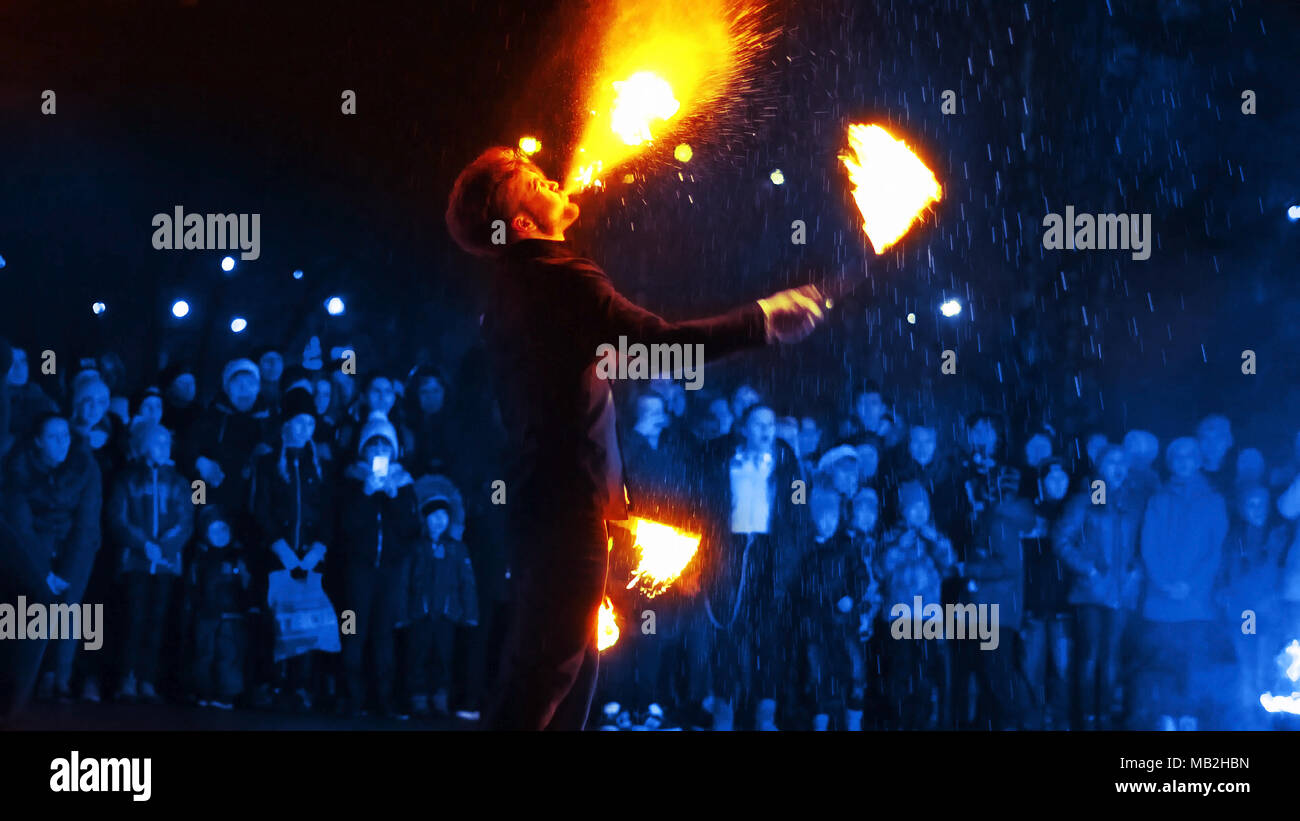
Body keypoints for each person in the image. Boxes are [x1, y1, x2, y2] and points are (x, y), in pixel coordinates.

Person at [445, 145, 825, 730]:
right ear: (521, 222)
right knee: (547, 672)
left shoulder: (513, 289)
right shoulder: (559, 278)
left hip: (551, 505)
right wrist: (762, 318)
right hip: (568, 506)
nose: (552, 181)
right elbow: (660, 347)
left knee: (569, 676)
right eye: (535, 182)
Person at [3, 413, 103, 702]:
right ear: (37, 441)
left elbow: (87, 521)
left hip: (77, 541)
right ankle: (26, 680)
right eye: (53, 437)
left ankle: (60, 676)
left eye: (66, 436)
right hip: (35, 540)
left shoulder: (85, 466)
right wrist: (44, 570)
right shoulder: (18, 467)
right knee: (34, 605)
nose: (62, 443)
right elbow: (20, 524)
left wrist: (69, 570)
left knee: (70, 607)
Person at [1135, 437, 1228, 730]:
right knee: (1162, 661)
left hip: (1196, 601)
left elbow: (1216, 550)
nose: (1184, 461)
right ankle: (1165, 715)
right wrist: (1163, 583)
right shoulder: (1158, 499)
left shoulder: (1214, 501)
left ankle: (1188, 716)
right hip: (1160, 600)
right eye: (1178, 457)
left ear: (1199, 461)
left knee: (1193, 663)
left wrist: (1191, 585)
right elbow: (1147, 545)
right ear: (1171, 463)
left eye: (1190, 456)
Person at [334, 413, 420, 718]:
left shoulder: (404, 483)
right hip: (358, 568)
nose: (379, 451)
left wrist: (394, 497)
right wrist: (365, 494)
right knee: (353, 630)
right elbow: (344, 526)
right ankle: (351, 698)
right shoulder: (350, 479)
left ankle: (383, 698)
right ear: (363, 449)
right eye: (373, 445)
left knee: (384, 634)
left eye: (385, 445)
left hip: (390, 570)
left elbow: (411, 528)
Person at [250, 387, 331, 712]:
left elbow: (327, 510)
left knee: (305, 619)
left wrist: (317, 549)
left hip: (310, 554)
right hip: (278, 553)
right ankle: (269, 680)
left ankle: (299, 684)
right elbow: (261, 506)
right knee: (274, 617)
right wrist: (279, 546)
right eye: (299, 423)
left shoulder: (318, 466)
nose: (306, 430)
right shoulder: (269, 462)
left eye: (310, 424)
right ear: (286, 425)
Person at [1052, 446, 1143, 730]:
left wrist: (1136, 569)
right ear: (1100, 466)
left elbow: (1144, 544)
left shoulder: (1134, 501)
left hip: (1122, 592)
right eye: (1111, 461)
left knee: (1112, 655)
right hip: (1090, 591)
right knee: (1089, 655)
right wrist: (1087, 568)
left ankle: (1104, 717)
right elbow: (1061, 539)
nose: (1117, 466)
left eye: (1122, 461)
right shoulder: (1087, 499)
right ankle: (1086, 719)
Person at [106, 422, 194, 704]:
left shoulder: (179, 482)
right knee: (133, 618)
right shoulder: (127, 479)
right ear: (144, 446)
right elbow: (117, 518)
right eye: (157, 443)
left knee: (157, 621)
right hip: (136, 563)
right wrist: (143, 544)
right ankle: (127, 677)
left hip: (166, 565)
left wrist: (165, 548)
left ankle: (148, 679)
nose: (163, 448)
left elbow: (185, 521)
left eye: (166, 443)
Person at [405, 497, 479, 718]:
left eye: (443, 516)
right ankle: (418, 699)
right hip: (421, 612)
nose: (439, 521)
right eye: (434, 516)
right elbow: (405, 581)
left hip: (448, 613)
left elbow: (467, 581)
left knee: (443, 658)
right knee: (418, 656)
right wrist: (403, 612)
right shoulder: (417, 547)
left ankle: (440, 699)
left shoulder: (457, 548)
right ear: (425, 519)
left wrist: (470, 613)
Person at [188, 505, 249, 709]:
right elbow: (193, 585)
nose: (219, 535)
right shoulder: (200, 557)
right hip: (206, 612)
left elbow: (247, 584)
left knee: (228, 654)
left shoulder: (237, 556)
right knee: (203, 654)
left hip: (231, 614)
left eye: (223, 530)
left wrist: (247, 604)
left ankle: (226, 695)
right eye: (214, 530)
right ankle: (202, 692)